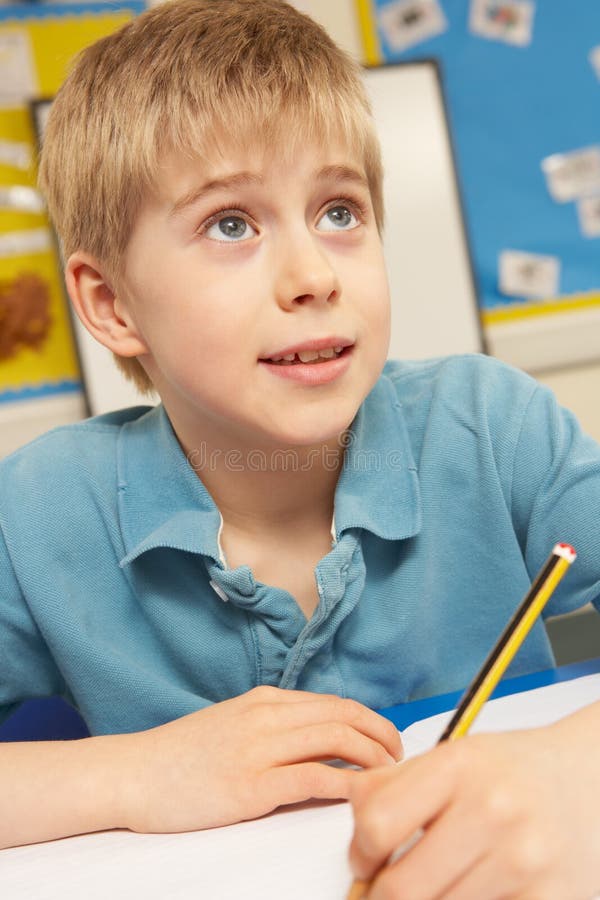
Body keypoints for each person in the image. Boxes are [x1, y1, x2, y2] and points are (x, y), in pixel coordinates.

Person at [0, 0, 599, 894]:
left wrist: (575, 772)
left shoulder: (491, 427)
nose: (316, 275)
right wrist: (132, 773)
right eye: (230, 224)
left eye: (339, 211)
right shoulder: (43, 507)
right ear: (112, 305)